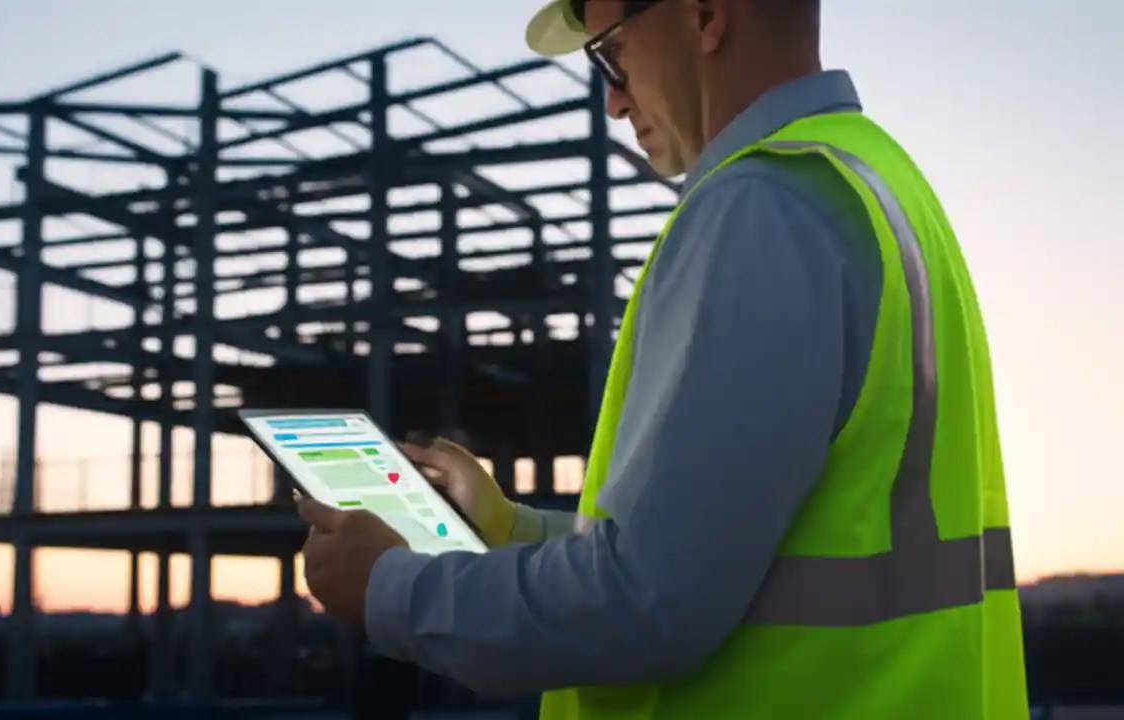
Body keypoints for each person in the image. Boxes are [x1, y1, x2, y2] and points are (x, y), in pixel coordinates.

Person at [295, 0, 1029, 717]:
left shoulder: (760, 206)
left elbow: (648, 606)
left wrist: (392, 588)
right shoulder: (876, 182)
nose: (613, 100)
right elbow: (725, 560)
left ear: (707, 15)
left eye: (610, 52)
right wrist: (512, 527)